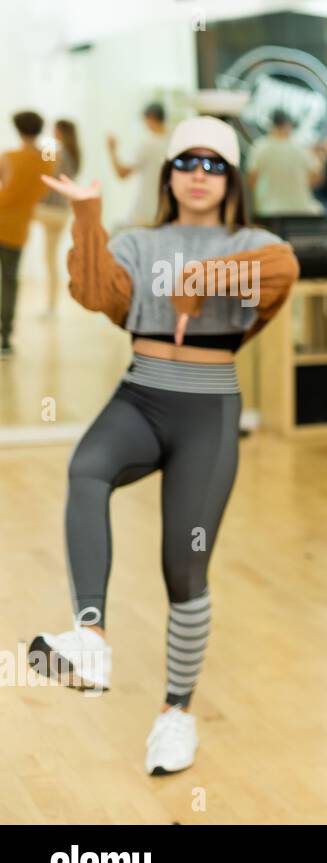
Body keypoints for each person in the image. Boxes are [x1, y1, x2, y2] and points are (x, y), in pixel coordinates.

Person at [26, 116, 300, 776]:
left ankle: (177, 713)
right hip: (141, 395)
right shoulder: (139, 240)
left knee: (185, 568)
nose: (198, 176)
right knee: (86, 466)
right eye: (186, 163)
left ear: (230, 178)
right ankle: (89, 637)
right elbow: (98, 293)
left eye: (213, 165)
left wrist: (195, 283)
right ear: (168, 173)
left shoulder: (255, 242)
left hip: (208, 408)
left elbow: (279, 273)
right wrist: (88, 219)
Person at [0, 110, 57, 355]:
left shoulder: (9, 157)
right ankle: (5, 338)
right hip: (18, 228)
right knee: (10, 281)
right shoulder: (47, 160)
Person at [31, 118, 80, 316]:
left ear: (60, 131)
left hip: (47, 210)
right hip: (62, 212)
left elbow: (42, 172)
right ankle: (51, 306)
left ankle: (51, 306)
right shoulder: (74, 154)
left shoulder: (56, 151)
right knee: (50, 260)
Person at [246, 109, 324, 216]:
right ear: (289, 125)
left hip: (269, 211)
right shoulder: (301, 148)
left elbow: (251, 181)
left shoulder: (259, 147)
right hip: (302, 211)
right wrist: (321, 159)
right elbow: (316, 179)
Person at [107, 102, 168, 230]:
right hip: (167, 211)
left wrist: (112, 150)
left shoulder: (148, 144)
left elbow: (122, 174)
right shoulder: (173, 140)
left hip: (145, 211)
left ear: (150, 118)